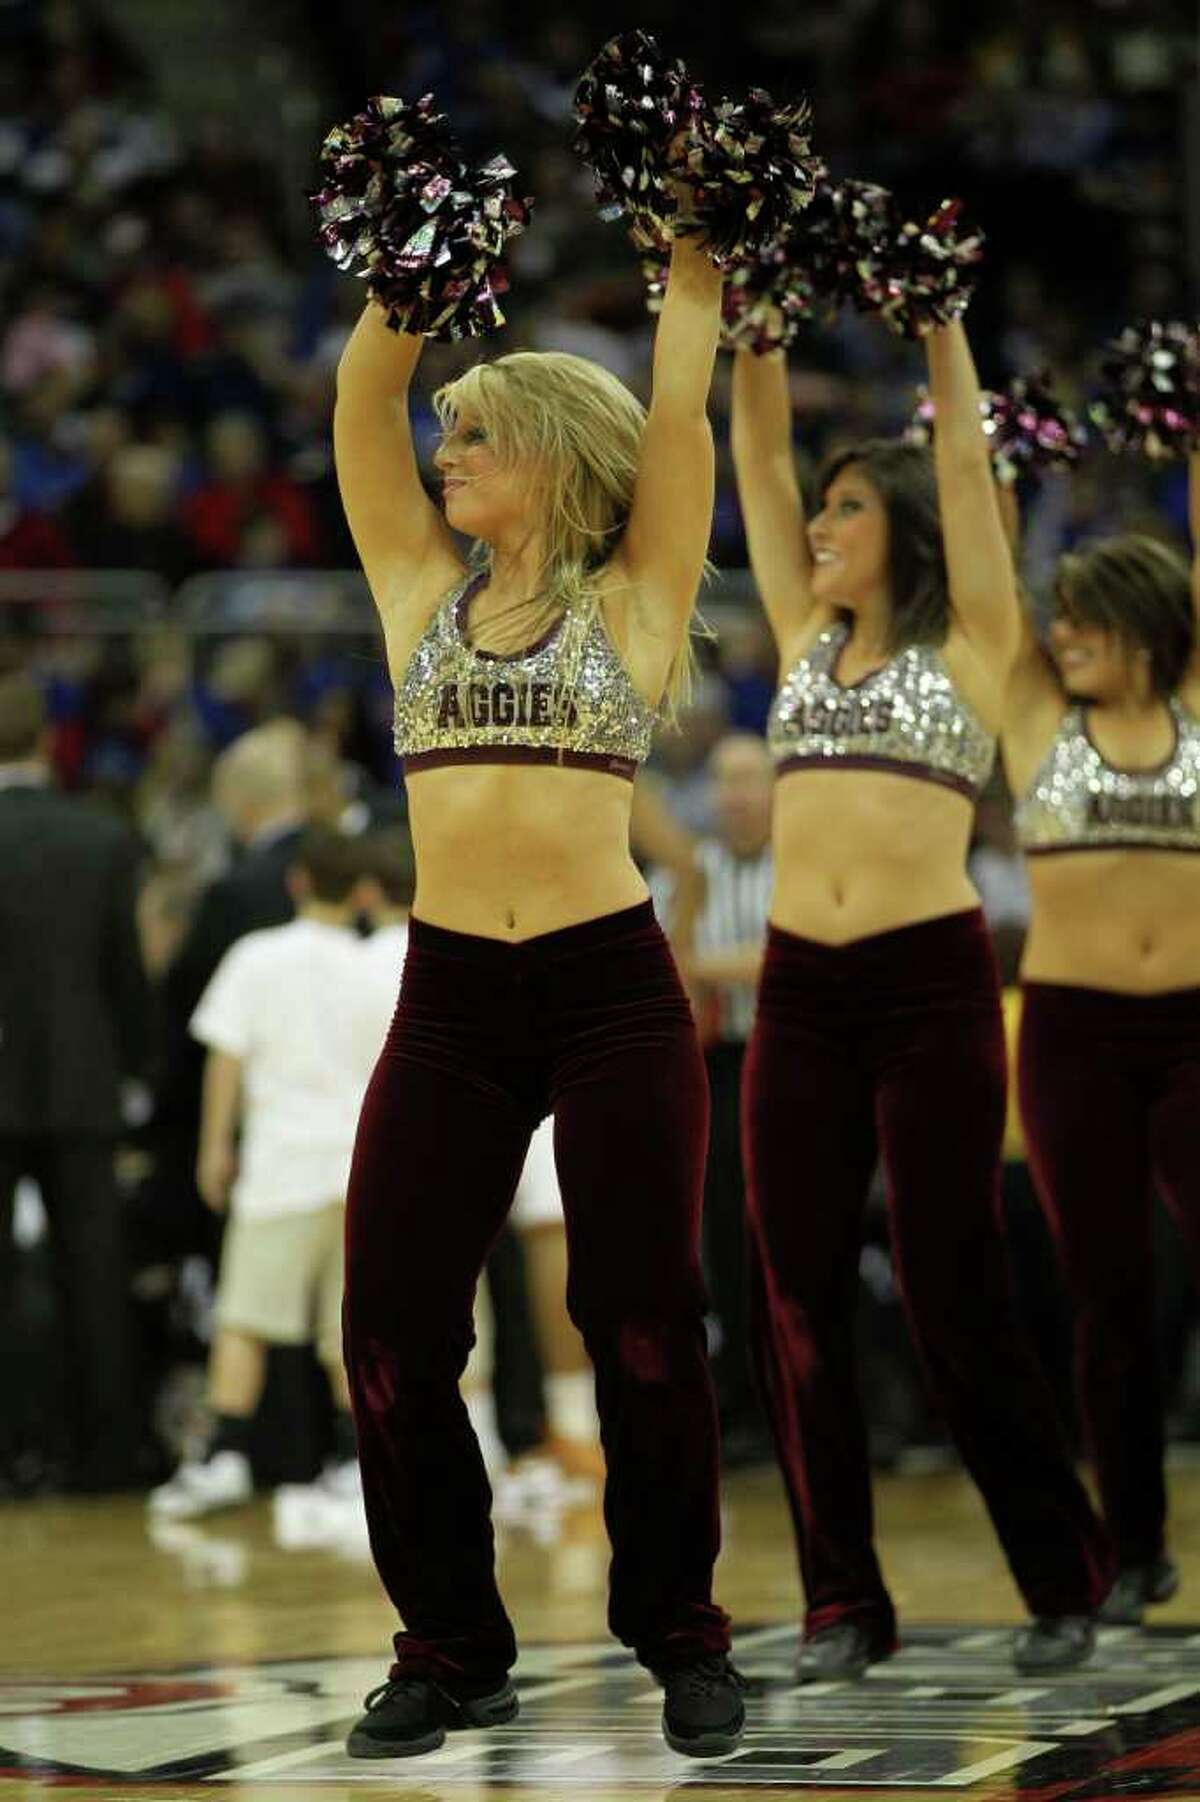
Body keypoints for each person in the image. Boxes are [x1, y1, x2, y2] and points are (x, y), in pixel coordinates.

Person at [333, 214, 743, 1757]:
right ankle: (449, 1643)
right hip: (449, 1000)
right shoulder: (412, 587)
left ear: (555, 458)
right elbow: (362, 402)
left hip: (608, 990)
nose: (445, 456)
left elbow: (682, 416)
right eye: (450, 435)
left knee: (642, 1318)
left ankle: (681, 1632)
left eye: (476, 435)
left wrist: (693, 264)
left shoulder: (632, 599)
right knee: (390, 1326)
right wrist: (407, 269)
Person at [730, 328, 1114, 1683]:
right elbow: (755, 456)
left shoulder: (974, 642)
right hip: (798, 990)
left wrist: (940, 321)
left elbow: (963, 468)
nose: (819, 524)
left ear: (902, 527)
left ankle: (1063, 1575)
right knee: (795, 1298)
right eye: (823, 505)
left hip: (929, 987)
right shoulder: (801, 634)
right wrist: (750, 318)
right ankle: (842, 1600)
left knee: (956, 1292)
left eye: (847, 507)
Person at [1004, 463, 1200, 1627]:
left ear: (1145, 621)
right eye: (1060, 613)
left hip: (1194, 1031)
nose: (1062, 632)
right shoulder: (1040, 719)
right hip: (1072, 1035)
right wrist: (986, 451)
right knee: (1108, 1296)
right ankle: (1135, 1545)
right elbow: (986, 581)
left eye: (1085, 616)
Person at [148, 827, 379, 1520]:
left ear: (296, 882)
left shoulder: (256, 955)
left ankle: (226, 1455)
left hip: (281, 1168)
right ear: (362, 893)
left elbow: (226, 1058)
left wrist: (213, 1148)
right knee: (349, 1326)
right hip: (360, 1169)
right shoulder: (380, 966)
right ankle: (357, 1460)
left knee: (245, 1320)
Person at [0, 668, 149, 1491]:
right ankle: (107, 1458)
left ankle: (11, 1454)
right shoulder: (101, 840)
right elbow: (126, 978)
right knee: (94, 1277)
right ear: (48, 740)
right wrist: (140, 1070)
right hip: (83, 1087)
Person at [151, 719, 307, 1263]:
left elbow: (194, 1015)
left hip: (261, 1124)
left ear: (240, 803)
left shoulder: (234, 894)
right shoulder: (356, 873)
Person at [675, 732, 774, 1463]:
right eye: (724, 781)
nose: (735, 795)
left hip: (786, 1063)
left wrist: (704, 966)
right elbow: (661, 961)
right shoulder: (690, 871)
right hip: (712, 1067)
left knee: (787, 1233)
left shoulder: (803, 865)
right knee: (723, 1239)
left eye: (749, 779)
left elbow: (796, 955)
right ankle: (740, 1400)